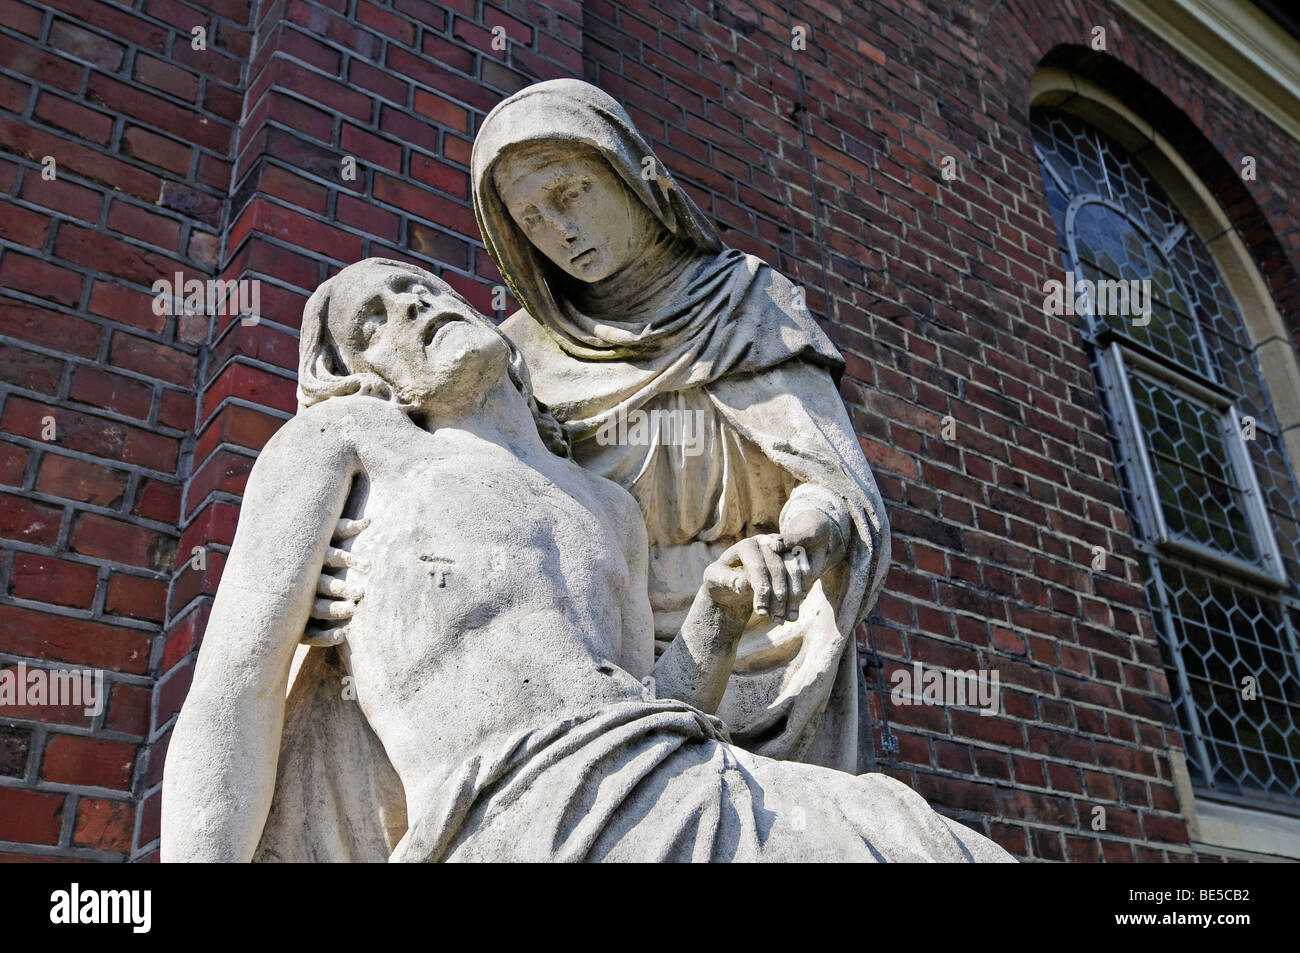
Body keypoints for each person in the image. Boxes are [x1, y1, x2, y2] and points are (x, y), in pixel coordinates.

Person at [161, 259, 1011, 863]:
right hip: (523, 816)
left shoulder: (603, 505)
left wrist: (717, 615)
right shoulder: (350, 445)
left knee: (917, 834)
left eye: (418, 288)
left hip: (677, 777)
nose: (409, 306)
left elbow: (651, 706)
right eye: (372, 321)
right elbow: (236, 682)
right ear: (368, 378)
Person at [468, 79, 889, 770]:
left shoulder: (751, 305)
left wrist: (805, 539)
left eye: (570, 193)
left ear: (629, 172)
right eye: (531, 219)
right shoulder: (520, 358)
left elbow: (833, 484)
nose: (560, 231)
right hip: (607, 668)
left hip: (772, 639)